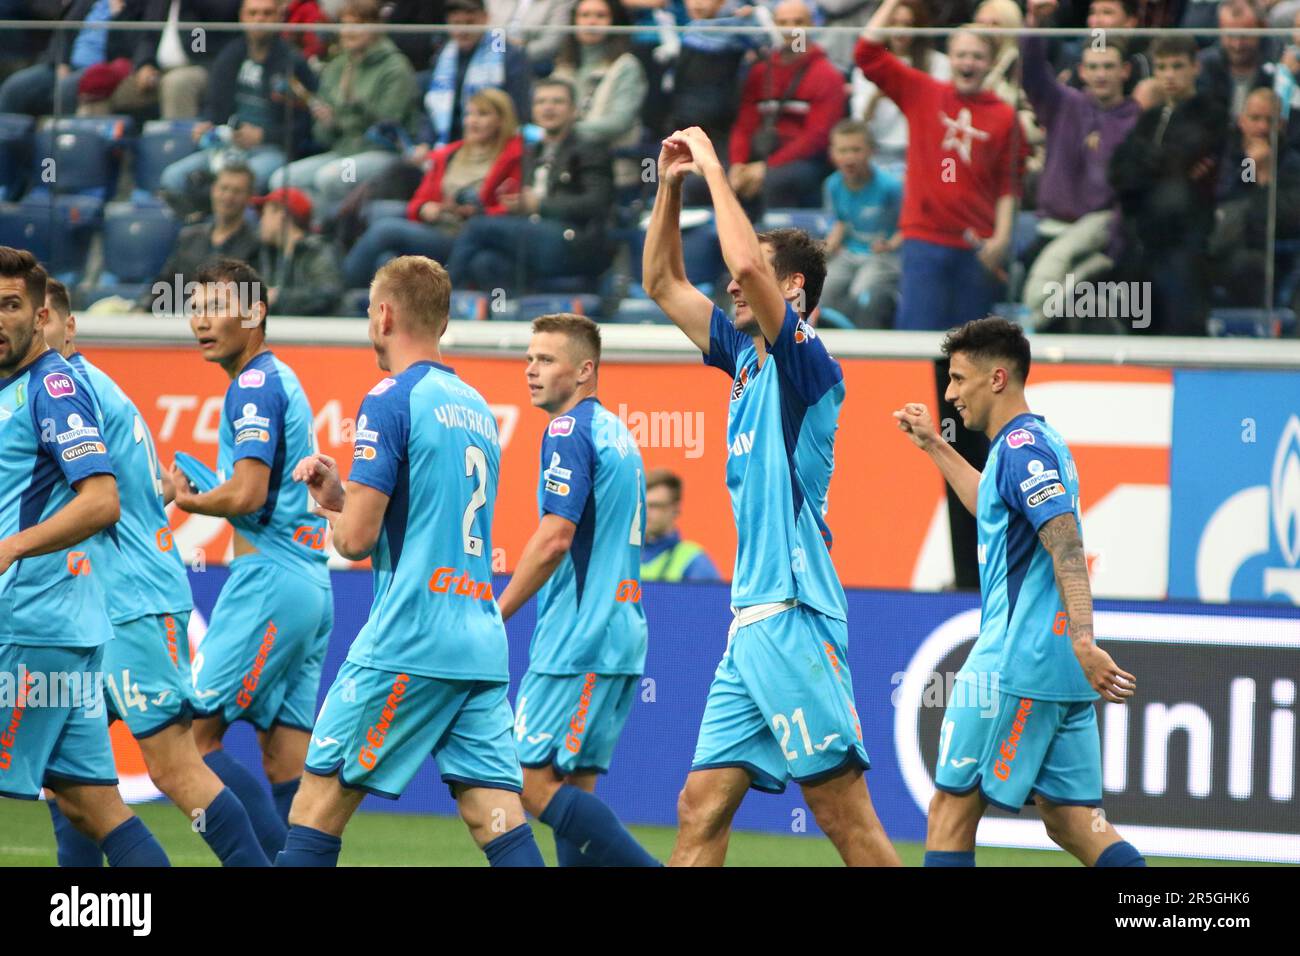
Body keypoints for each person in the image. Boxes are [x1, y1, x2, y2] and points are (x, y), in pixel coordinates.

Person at [642, 128, 900, 867]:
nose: (730, 285)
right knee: (700, 805)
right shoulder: (745, 362)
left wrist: (717, 168)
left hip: (793, 611)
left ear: (792, 290)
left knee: (842, 816)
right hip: (749, 620)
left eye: (750, 279)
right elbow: (662, 283)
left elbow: (744, 261)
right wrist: (670, 186)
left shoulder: (806, 361)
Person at [279, 256, 544, 867]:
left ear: (383, 314)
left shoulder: (389, 399)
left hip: (410, 636)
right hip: (477, 640)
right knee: (495, 818)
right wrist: (342, 499)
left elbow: (356, 542)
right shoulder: (476, 405)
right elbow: (426, 515)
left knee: (315, 805)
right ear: (444, 321)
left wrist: (334, 512)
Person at [892, 316, 1146, 868]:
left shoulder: (1021, 450)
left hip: (1013, 663)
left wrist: (1085, 638)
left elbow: (1068, 547)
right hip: (1058, 671)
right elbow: (990, 501)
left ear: (998, 378)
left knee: (950, 810)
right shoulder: (1034, 442)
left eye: (959, 379)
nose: (950, 393)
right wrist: (934, 445)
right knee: (1074, 822)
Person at [39, 277, 269, 868]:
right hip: (98, 606)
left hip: (131, 602)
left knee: (175, 767)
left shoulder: (70, 389)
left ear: (67, 326)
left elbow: (97, 504)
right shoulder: (79, 390)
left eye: (41, 318)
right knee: (70, 781)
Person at [0, 247, 170, 867]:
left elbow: (101, 501)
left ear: (42, 315)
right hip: (62, 626)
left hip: (25, 622)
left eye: (11, 305)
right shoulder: (16, 389)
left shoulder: (54, 386)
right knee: (89, 804)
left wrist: (12, 547)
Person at [169, 257, 333, 861]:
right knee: (284, 757)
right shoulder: (277, 379)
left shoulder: (254, 385)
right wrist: (198, 481)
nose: (200, 322)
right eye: (195, 308)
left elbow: (248, 495)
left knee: (190, 744)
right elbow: (257, 490)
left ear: (256, 312)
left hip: (270, 577)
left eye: (216, 308)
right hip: (309, 586)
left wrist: (190, 497)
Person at [493, 313, 658, 867]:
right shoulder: (618, 432)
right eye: (528, 359)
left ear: (585, 370)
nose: (531, 371)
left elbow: (555, 538)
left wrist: (498, 612)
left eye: (545, 360)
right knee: (573, 787)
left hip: (577, 638)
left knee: (528, 783)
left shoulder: (567, 430)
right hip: (620, 634)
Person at [855, 0, 1027, 331]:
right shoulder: (922, 91)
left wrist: (1001, 239)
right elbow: (866, 53)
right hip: (924, 240)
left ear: (990, 63)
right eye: (961, 55)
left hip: (977, 248)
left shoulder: (1005, 116)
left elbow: (1010, 184)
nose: (968, 62)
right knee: (918, 341)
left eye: (977, 56)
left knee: (972, 346)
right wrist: (893, 2)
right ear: (950, 60)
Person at [1019, 0, 1140, 330]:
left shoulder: (1136, 121)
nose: (1101, 75)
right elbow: (1031, 74)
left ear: (1124, 71)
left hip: (1102, 241)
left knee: (1086, 314)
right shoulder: (1063, 104)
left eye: (1109, 67)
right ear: (1082, 71)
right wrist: (1034, 24)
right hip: (1051, 230)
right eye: (1094, 67)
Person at [446, 78, 613, 296]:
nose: (548, 107)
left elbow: (596, 204)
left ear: (573, 110)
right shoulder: (531, 151)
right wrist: (517, 206)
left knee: (478, 227)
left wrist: (540, 206)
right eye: (541, 102)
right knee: (484, 262)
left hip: (573, 241)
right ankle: (517, 318)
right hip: (533, 238)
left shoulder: (589, 148)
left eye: (557, 102)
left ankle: (441, 304)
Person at [342, 89, 523, 289]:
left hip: (467, 236)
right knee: (386, 259)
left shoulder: (516, 156)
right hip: (436, 226)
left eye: (483, 114)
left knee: (385, 229)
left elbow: (514, 206)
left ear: (501, 120)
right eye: (469, 114)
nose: (473, 121)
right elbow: (419, 201)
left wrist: (479, 212)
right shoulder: (448, 154)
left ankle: (338, 292)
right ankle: (362, 309)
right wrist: (425, 209)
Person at [1109, 34, 1227, 335]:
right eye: (1162, 67)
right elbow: (1118, 172)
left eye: (1177, 66)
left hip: (1186, 242)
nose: (1169, 75)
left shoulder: (1211, 113)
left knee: (1182, 328)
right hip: (1143, 241)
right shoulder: (1148, 119)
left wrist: (1148, 168)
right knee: (1137, 331)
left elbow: (1182, 159)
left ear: (1195, 68)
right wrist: (1154, 169)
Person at [158, 0, 318, 206]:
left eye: (267, 14)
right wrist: (207, 125)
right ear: (242, 17)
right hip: (228, 146)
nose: (259, 20)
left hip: (270, 150)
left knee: (246, 182)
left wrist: (264, 135)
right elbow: (214, 107)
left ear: (279, 17)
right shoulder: (230, 55)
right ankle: (200, 222)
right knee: (172, 177)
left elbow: (306, 125)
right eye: (253, 13)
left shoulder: (293, 62)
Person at [268, 0, 416, 219]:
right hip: (343, 151)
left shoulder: (395, 67)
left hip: (382, 154)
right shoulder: (337, 66)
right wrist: (327, 122)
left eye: (357, 25)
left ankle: (330, 236)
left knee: (330, 178)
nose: (348, 32)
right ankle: (315, 231)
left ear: (376, 28)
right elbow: (324, 135)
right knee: (282, 179)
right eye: (344, 25)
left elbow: (387, 126)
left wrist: (350, 106)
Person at [725, 0, 847, 212]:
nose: (791, 29)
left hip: (804, 161)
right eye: (783, 22)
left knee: (776, 182)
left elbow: (816, 138)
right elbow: (744, 125)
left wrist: (766, 168)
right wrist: (738, 165)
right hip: (761, 153)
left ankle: (776, 243)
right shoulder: (760, 72)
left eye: (798, 22)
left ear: (812, 25)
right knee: (711, 178)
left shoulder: (828, 75)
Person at [1211, 87, 1300, 307]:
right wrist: (1249, 165)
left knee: (1249, 266)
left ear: (1281, 125)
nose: (1261, 127)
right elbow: (1228, 196)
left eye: (1269, 120)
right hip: (1220, 244)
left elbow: (1282, 219)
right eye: (1255, 118)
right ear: (1242, 121)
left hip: (1269, 253)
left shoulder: (1292, 163)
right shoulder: (1226, 155)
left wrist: (1266, 175)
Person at [135, 164, 261, 315]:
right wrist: (142, 306)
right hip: (182, 320)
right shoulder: (189, 237)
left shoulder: (256, 244)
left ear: (249, 197)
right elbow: (164, 283)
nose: (228, 196)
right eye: (224, 188)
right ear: (213, 190)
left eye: (237, 191)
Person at [549, 0, 648, 189]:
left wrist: (566, 132)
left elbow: (618, 122)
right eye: (584, 16)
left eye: (600, 16)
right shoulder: (563, 65)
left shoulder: (627, 66)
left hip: (610, 169)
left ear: (614, 22)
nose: (591, 22)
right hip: (564, 167)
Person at [848, 0, 950, 175]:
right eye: (893, 23)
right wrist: (877, 97)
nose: (899, 31)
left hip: (923, 153)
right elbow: (860, 123)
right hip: (878, 152)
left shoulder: (939, 64)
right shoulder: (869, 68)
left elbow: (945, 117)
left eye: (907, 24)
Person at [820, 119, 903, 329]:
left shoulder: (890, 187)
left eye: (856, 150)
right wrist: (823, 252)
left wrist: (891, 244)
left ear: (871, 152)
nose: (849, 157)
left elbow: (908, 227)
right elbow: (840, 223)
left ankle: (858, 344)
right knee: (823, 287)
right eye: (843, 150)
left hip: (883, 256)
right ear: (832, 153)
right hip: (850, 254)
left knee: (861, 291)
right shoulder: (832, 185)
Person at [419, 0, 532, 149]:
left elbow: (518, 109)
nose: (463, 30)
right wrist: (425, 142)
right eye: (456, 23)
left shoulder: (506, 52)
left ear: (485, 18)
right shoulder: (444, 54)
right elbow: (432, 106)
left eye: (470, 22)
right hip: (447, 143)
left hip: (494, 144)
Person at [0, 0, 137, 117]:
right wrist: (63, 63)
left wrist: (119, 15)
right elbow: (65, 31)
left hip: (100, 70)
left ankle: (65, 144)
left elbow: (132, 47)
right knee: (15, 88)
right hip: (63, 64)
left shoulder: (134, 5)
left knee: (67, 88)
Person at [110, 0, 243, 121]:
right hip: (158, 71)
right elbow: (148, 37)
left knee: (176, 83)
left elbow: (222, 11)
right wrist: (145, 64)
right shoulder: (158, 4)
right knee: (108, 92)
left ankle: (176, 144)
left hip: (201, 67)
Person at [252, 186, 344, 314]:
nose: (261, 222)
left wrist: (278, 298)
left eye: (264, 214)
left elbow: (328, 294)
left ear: (281, 215)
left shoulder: (317, 251)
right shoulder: (268, 256)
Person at [1197, 0, 1277, 122]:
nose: (1237, 45)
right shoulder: (1203, 65)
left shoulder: (1279, 63)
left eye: (1244, 36)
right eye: (1230, 36)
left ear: (1262, 27)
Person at [639, 468, 721, 582]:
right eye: (642, 505)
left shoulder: (694, 561)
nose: (645, 512)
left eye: (655, 506)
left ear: (675, 510)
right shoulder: (624, 555)